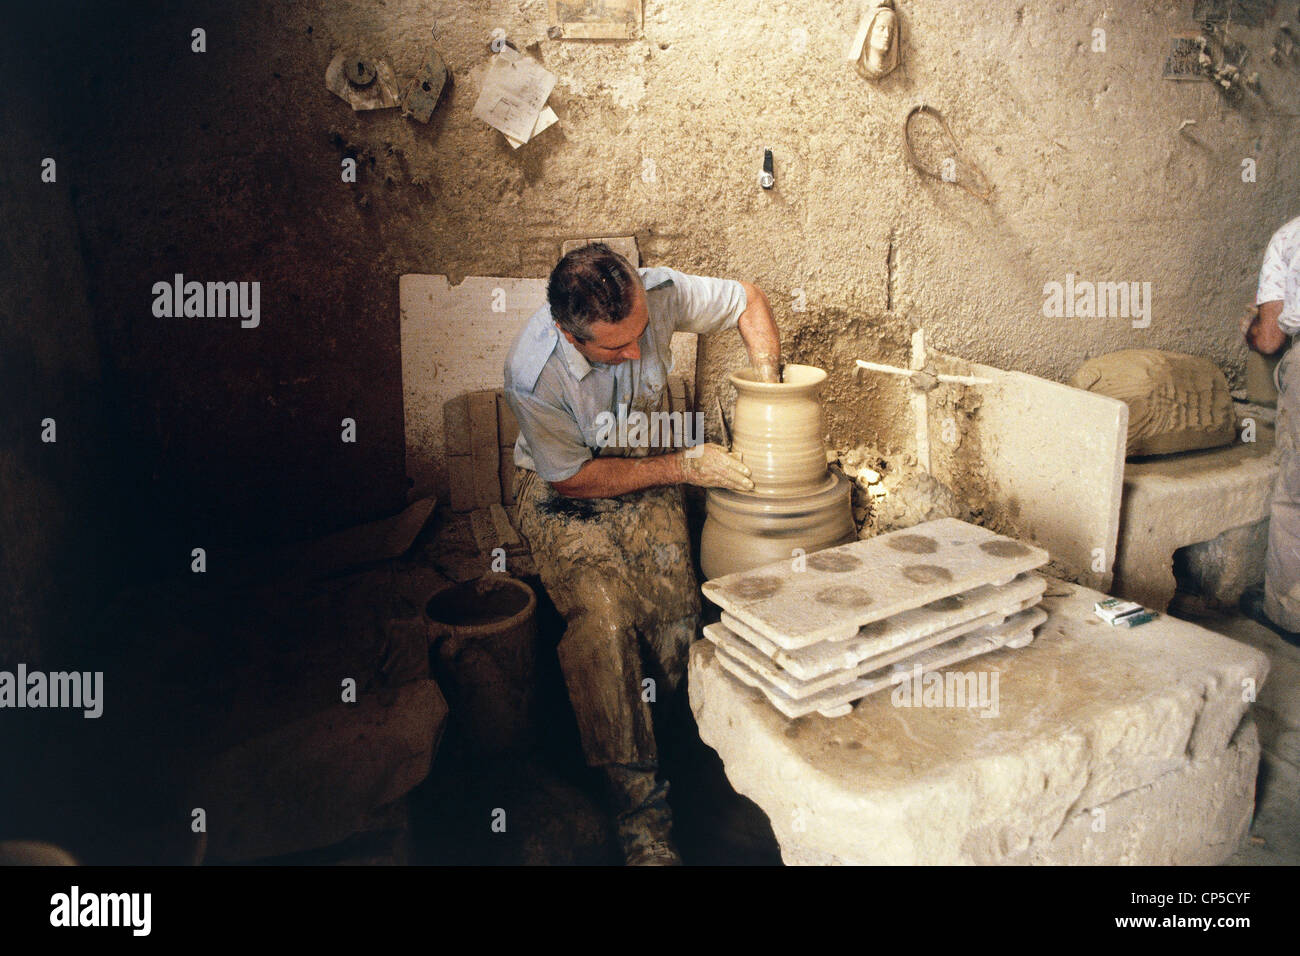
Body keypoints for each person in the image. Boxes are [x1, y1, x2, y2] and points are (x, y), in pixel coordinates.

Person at [502, 243, 781, 864]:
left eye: (640, 336)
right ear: (569, 335)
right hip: (564, 492)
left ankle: (700, 763)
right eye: (614, 348)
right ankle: (640, 813)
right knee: (605, 623)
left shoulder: (655, 294)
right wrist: (684, 464)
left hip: (648, 469)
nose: (634, 352)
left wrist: (770, 384)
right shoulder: (533, 373)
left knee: (679, 611)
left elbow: (748, 299)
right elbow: (571, 479)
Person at [1241, 213, 1300, 646]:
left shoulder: (1289, 237)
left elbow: (1269, 341)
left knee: (1295, 498)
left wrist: (1252, 326)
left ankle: (1286, 613)